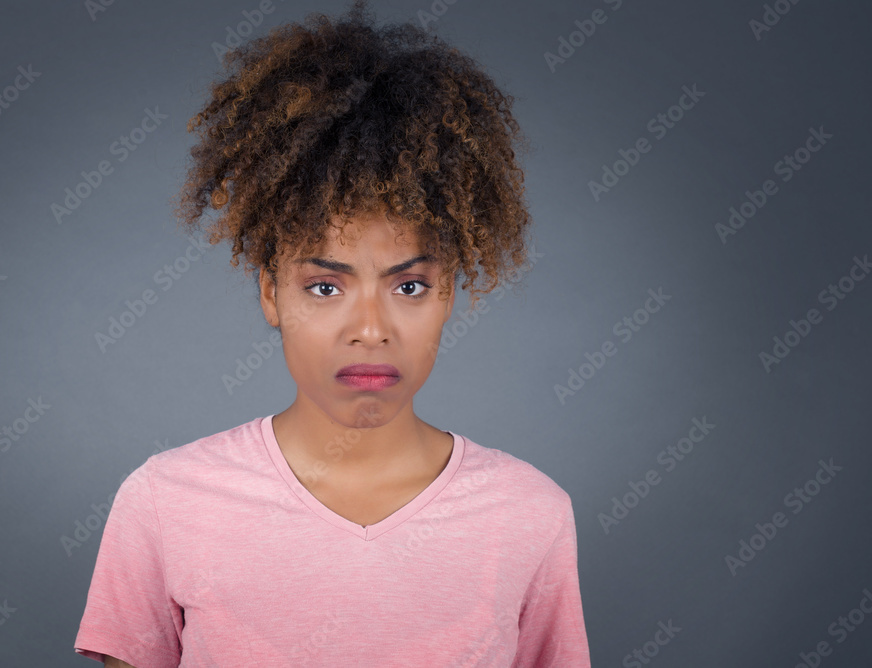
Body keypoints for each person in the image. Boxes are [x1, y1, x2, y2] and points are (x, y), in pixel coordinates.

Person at [74, 1, 591, 665]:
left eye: (409, 287)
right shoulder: (165, 501)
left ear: (449, 297)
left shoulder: (529, 513)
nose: (370, 329)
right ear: (270, 292)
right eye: (325, 287)